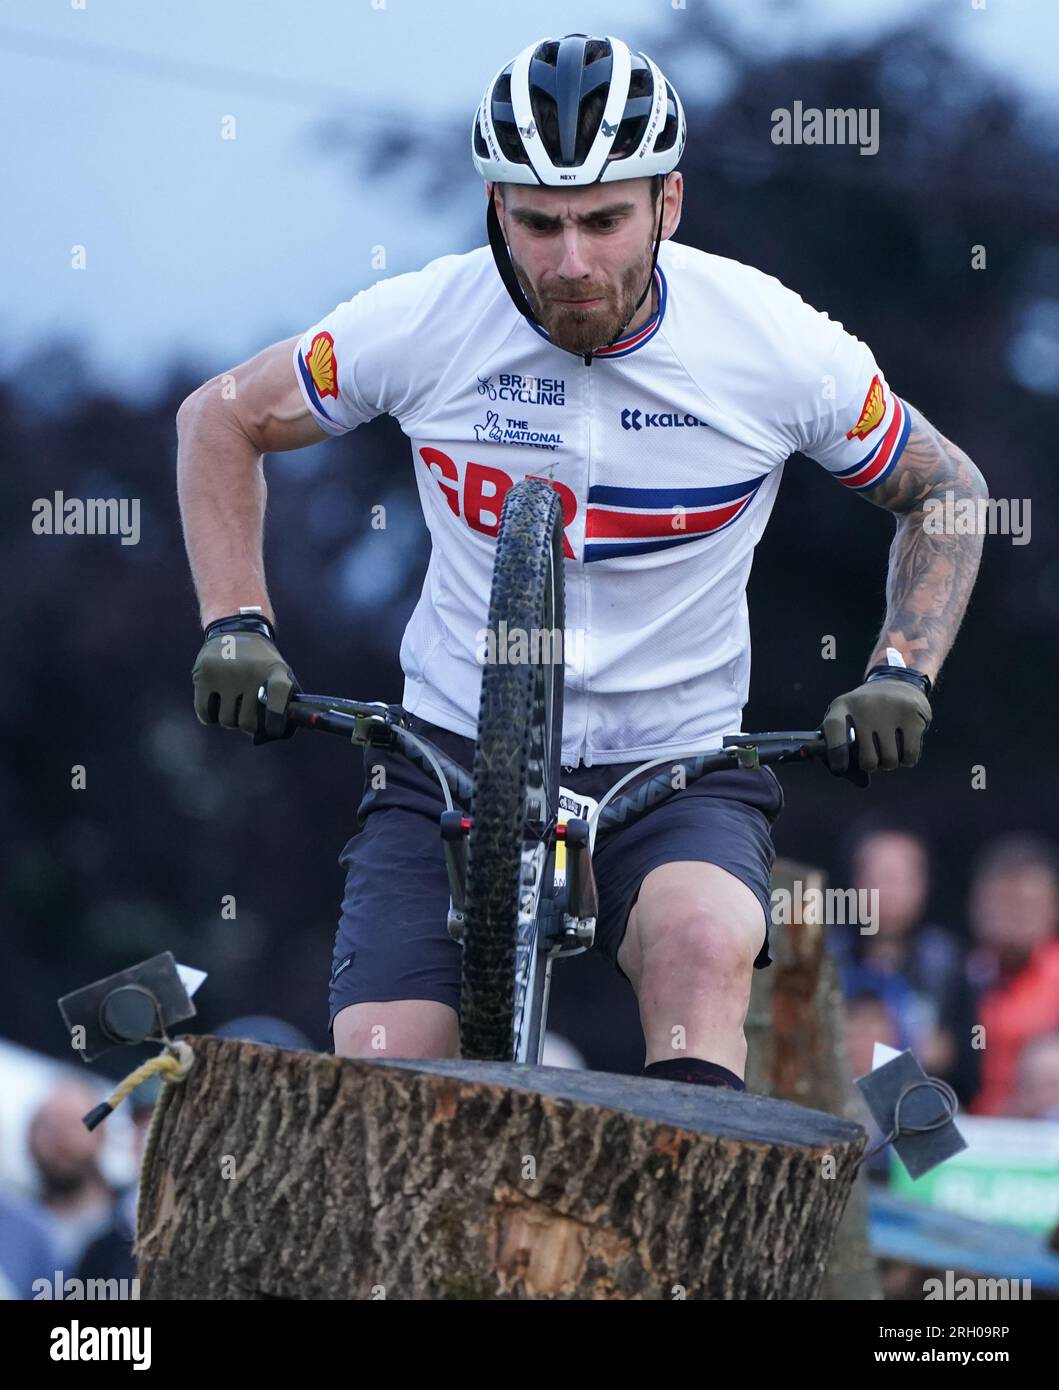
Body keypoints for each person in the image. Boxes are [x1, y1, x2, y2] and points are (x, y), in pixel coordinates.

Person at [178, 34, 988, 1091]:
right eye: (538, 222)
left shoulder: (775, 346)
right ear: (496, 209)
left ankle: (683, 1239)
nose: (570, 264)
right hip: (455, 744)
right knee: (388, 1071)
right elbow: (220, 418)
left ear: (670, 205)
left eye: (605, 220)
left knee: (702, 956)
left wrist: (899, 671)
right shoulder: (424, 320)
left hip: (680, 760)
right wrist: (236, 621)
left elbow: (948, 489)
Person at [962, 834, 1059, 1116]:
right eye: (1003, 903)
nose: (1014, 916)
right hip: (965, 1139)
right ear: (977, 907)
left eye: (1025, 903)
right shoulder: (951, 976)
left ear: (1053, 908)